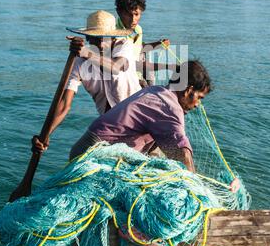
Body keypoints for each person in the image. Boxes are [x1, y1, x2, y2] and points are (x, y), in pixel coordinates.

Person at [65, 59, 239, 192]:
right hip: (93, 153)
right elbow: (182, 154)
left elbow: (167, 151)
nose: (197, 105)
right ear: (188, 91)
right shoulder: (170, 108)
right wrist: (199, 191)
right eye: (199, 98)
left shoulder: (156, 91)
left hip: (88, 146)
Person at [32, 10, 141, 153]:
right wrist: (45, 135)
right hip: (110, 124)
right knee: (77, 153)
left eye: (105, 38)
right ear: (88, 39)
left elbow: (117, 67)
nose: (101, 44)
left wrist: (85, 52)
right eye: (96, 39)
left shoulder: (124, 45)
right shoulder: (79, 62)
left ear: (114, 38)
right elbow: (65, 104)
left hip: (140, 116)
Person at [115, 0, 171, 86]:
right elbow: (129, 64)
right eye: (129, 14)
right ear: (119, 12)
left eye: (136, 14)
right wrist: (169, 66)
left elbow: (138, 49)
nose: (133, 19)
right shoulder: (113, 32)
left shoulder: (138, 29)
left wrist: (158, 44)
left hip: (139, 74)